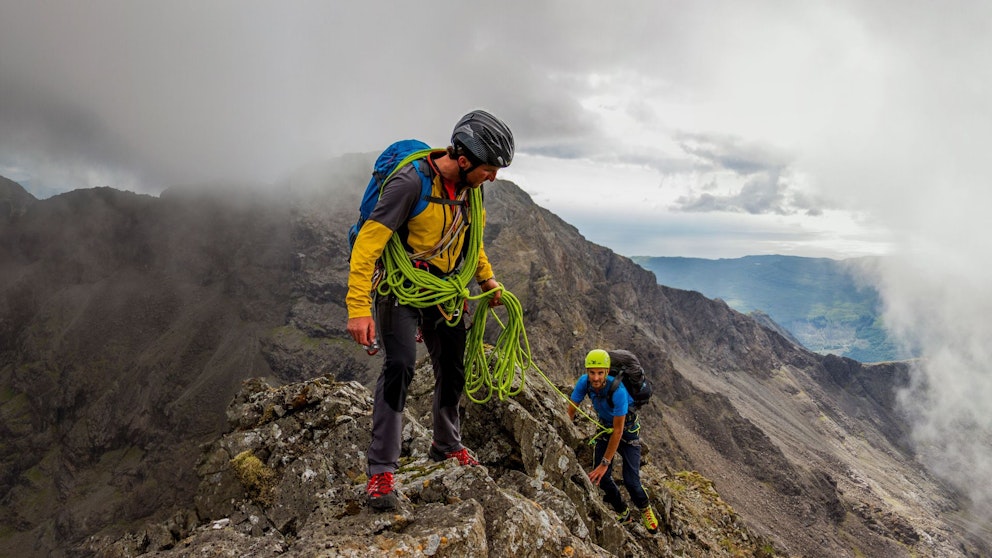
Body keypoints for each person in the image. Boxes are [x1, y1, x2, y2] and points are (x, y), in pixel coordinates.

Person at [346, 110, 514, 511]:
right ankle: (381, 473)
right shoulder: (409, 184)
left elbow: (471, 242)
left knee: (453, 365)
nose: (492, 177)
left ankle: (446, 443)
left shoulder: (471, 192)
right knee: (400, 365)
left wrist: (487, 280)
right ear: (464, 158)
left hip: (445, 289)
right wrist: (357, 308)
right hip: (401, 290)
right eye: (489, 169)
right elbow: (368, 244)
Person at [568, 349, 659, 533]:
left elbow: (618, 432)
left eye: (600, 372)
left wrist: (605, 463)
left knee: (631, 482)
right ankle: (622, 512)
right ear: (587, 371)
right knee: (601, 478)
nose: (595, 377)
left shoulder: (618, 391)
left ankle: (645, 509)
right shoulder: (583, 383)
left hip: (627, 433)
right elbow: (570, 412)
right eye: (592, 372)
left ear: (607, 372)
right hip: (604, 428)